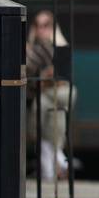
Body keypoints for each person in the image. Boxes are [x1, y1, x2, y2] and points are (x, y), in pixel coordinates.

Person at [25, 10, 76, 182]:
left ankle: (55, 168)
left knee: (47, 134)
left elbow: (60, 79)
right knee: (50, 135)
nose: (41, 29)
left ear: (53, 27)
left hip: (55, 96)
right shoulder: (39, 47)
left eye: (46, 25)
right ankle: (54, 168)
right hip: (50, 98)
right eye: (37, 25)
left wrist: (44, 79)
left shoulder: (55, 47)